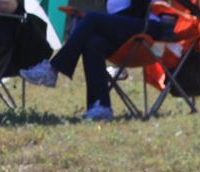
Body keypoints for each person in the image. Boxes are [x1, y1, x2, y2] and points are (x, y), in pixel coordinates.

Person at [20, 0, 178, 120]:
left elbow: (141, 9)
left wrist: (107, 22)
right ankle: (101, 106)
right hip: (127, 31)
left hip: (150, 27)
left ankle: (53, 69)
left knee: (92, 20)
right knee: (93, 42)